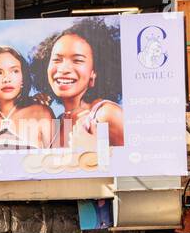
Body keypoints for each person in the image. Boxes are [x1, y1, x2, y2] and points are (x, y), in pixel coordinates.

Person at [33, 19, 125, 152]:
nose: (64, 69)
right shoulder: (57, 121)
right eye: (57, 60)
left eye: (77, 60)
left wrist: (97, 152)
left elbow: (142, 163)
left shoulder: (105, 114)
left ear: (94, 72)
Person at [0, 46, 54, 151]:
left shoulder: (41, 113)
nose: (7, 79)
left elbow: (57, 160)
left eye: (14, 71)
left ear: (22, 77)